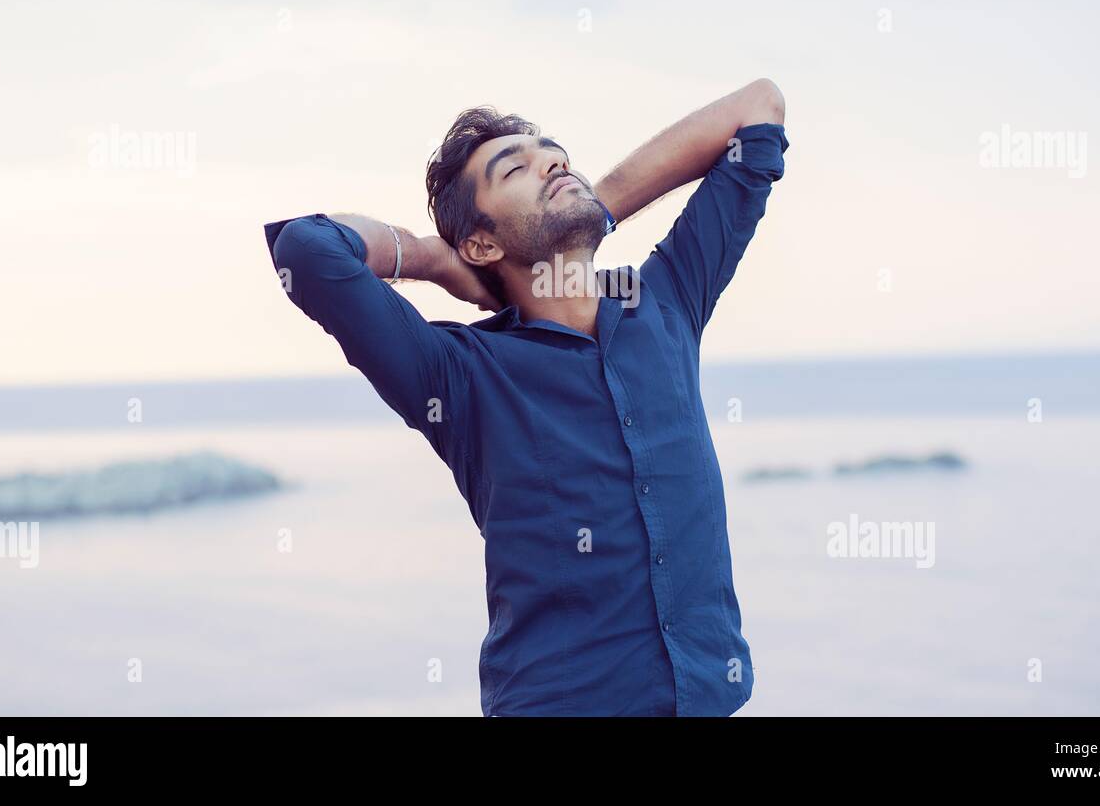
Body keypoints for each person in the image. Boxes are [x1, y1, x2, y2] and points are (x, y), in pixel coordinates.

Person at [263, 78, 789, 716]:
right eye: (516, 167)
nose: (553, 163)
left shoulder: (669, 298)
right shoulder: (460, 376)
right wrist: (432, 258)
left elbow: (758, 108)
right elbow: (307, 250)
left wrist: (595, 205)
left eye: (556, 155)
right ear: (482, 243)